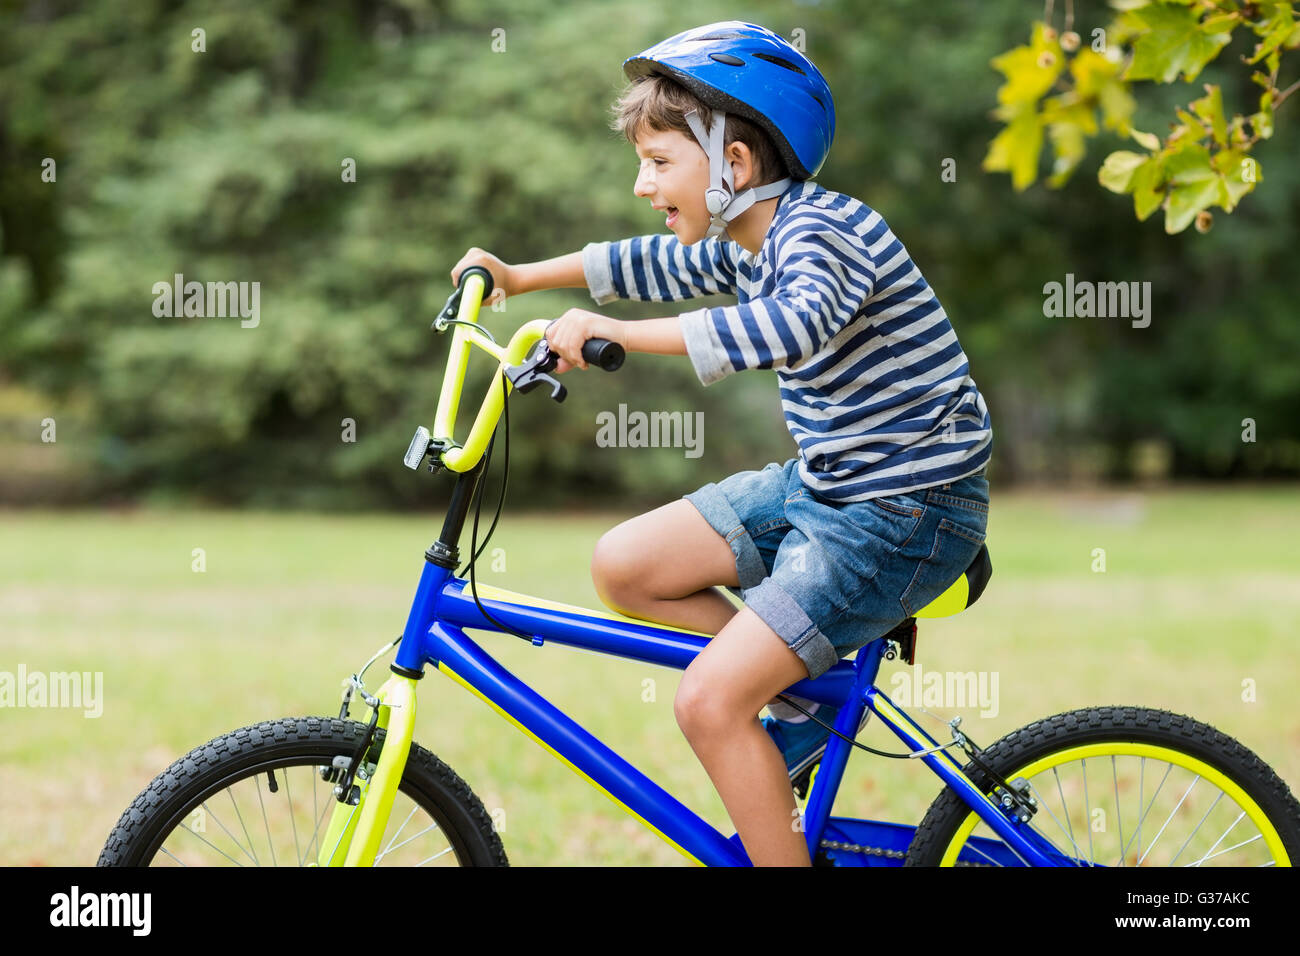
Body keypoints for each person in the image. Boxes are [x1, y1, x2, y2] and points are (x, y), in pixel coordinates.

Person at [450, 21, 992, 866]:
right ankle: (802, 711)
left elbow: (791, 325)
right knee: (626, 567)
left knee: (708, 704)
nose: (642, 184)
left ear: (734, 167)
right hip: (834, 485)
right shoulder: (747, 242)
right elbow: (639, 265)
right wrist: (521, 278)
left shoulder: (824, 233)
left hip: (903, 509)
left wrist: (615, 335)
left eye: (659, 162)